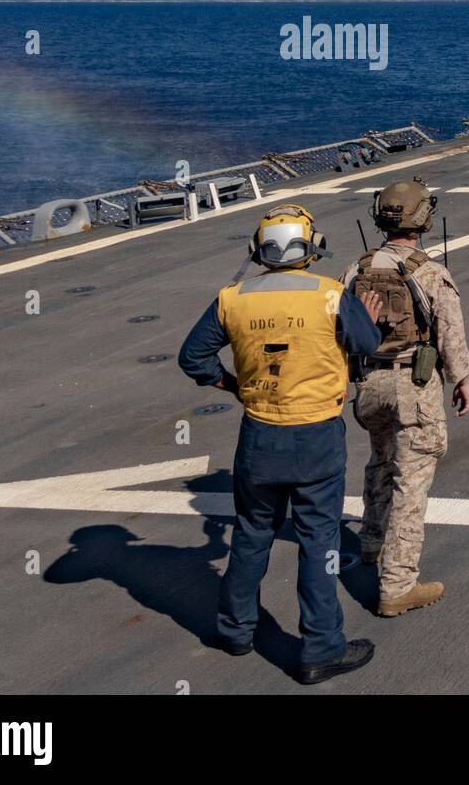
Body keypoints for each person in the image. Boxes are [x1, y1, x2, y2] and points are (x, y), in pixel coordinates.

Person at [178, 203, 383, 684]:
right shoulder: (330, 295)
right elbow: (368, 346)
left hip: (260, 435)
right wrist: (366, 318)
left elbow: (193, 357)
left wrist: (230, 385)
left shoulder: (232, 299)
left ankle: (234, 631)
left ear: (259, 248)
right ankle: (321, 649)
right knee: (319, 541)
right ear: (311, 247)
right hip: (316, 436)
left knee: (252, 534)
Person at [341, 179, 469, 617]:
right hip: (412, 387)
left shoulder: (355, 270)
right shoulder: (430, 273)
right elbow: (450, 334)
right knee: (410, 481)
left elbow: (339, 330)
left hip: (367, 385)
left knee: (379, 459)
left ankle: (371, 543)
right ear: (422, 219)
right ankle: (397, 585)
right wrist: (462, 379)